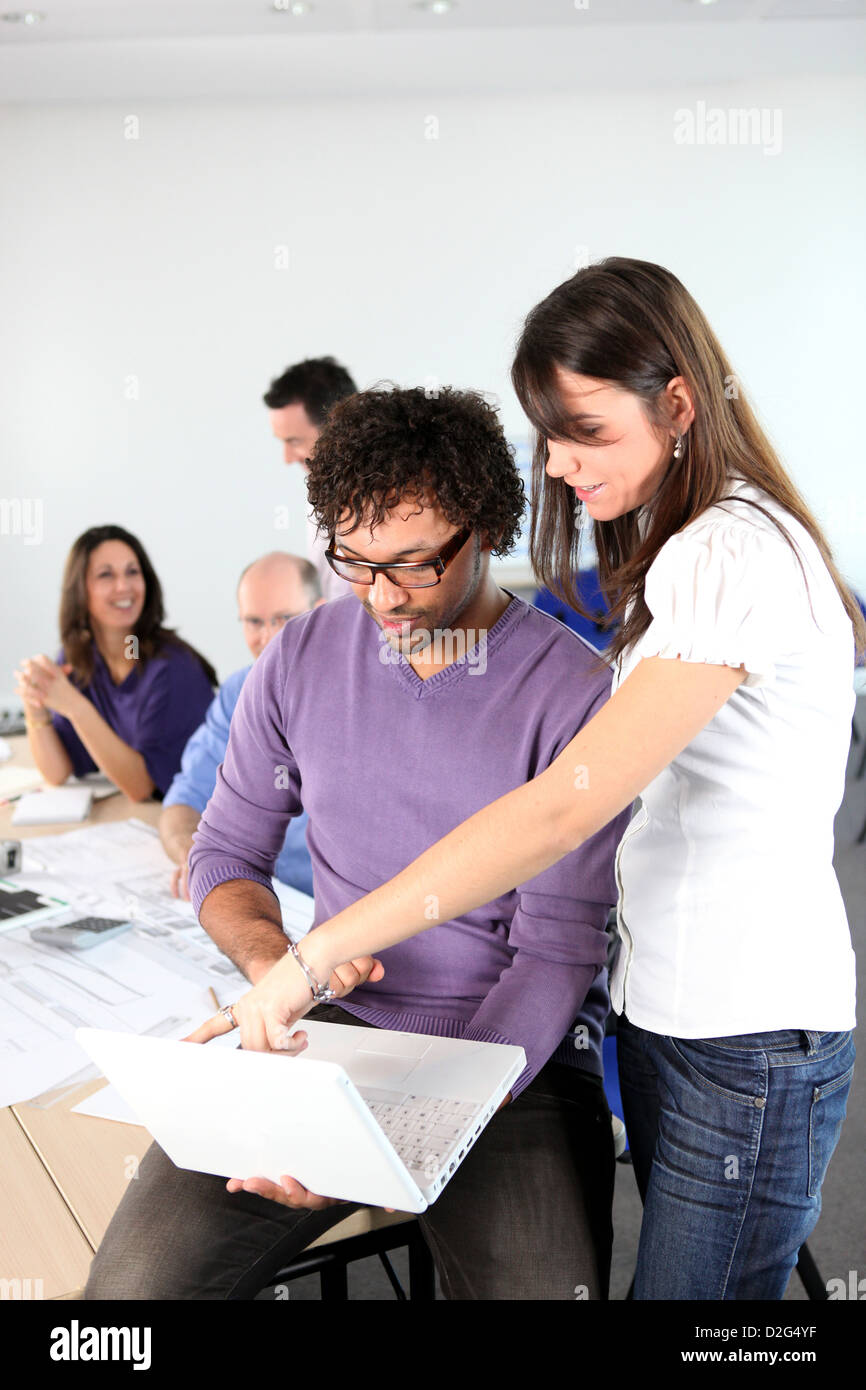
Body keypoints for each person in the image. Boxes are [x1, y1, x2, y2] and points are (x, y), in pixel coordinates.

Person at [201, 258, 864, 1301]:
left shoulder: (725, 553)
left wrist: (318, 952)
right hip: (678, 1007)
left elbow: (564, 807)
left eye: (582, 429)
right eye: (546, 434)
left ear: (678, 402)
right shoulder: (693, 544)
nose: (557, 463)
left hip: (743, 1028)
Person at [84, 385, 632, 1301]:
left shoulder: (575, 693)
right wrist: (279, 971)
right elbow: (223, 860)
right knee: (130, 1297)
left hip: (513, 1060)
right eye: (355, 562)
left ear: (486, 529)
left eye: (415, 565)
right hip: (330, 1035)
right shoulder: (296, 659)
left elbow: (555, 953)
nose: (382, 596)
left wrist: (414, 1124)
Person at [159, 552, 324, 900]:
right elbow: (184, 800)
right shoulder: (238, 691)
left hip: (341, 918)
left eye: (284, 618)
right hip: (260, 900)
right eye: (253, 622)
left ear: (322, 612)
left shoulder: (362, 694)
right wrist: (195, 859)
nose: (268, 638)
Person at [15, 525, 216, 802]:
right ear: (80, 590)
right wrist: (35, 703)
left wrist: (74, 706)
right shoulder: (80, 658)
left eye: (132, 572)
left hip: (192, 817)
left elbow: (141, 786)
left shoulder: (172, 669)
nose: (124, 586)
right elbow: (57, 772)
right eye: (106, 575)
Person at [263, 355, 358, 601]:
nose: (287, 458)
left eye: (294, 441)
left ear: (336, 427)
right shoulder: (320, 491)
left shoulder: (388, 499)